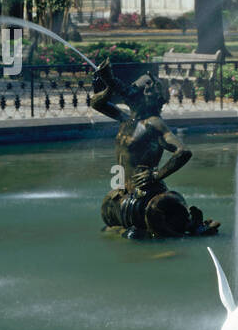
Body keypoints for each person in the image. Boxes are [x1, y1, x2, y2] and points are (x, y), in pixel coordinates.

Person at [89, 58, 218, 238]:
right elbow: (96, 103)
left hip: (146, 197)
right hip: (123, 193)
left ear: (145, 94)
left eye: (135, 88)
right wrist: (110, 86)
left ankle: (185, 227)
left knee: (143, 224)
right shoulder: (127, 119)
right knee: (110, 215)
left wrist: (156, 175)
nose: (129, 90)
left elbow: (183, 152)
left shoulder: (153, 124)